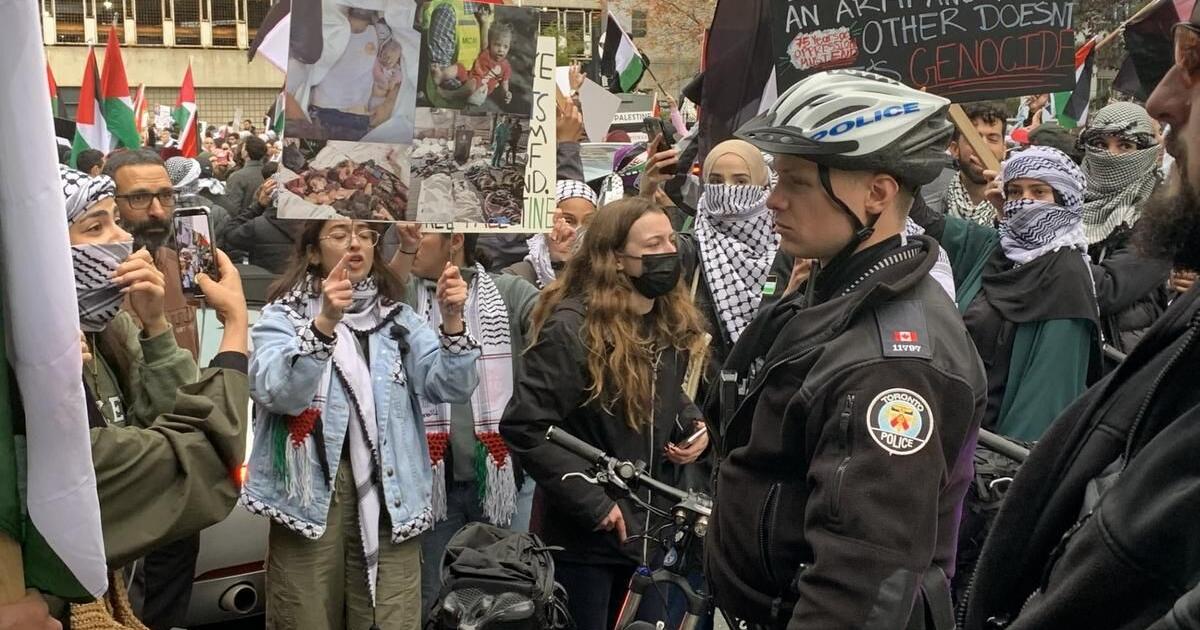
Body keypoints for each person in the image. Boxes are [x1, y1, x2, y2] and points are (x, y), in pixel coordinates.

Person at [705, 70, 988, 629]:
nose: (773, 200)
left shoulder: (895, 362)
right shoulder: (831, 293)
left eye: (797, 182)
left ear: (877, 194)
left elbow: (863, 580)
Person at [961, 14, 1200, 627]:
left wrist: (1053, 253)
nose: (1163, 99)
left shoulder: (1148, 225)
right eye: (1103, 144)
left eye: (1195, 63)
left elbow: (1110, 288)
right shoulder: (1041, 233)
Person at [241, 218, 480, 630]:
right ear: (313, 253)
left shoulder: (399, 319)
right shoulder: (282, 317)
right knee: (304, 616)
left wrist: (453, 319)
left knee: (390, 618)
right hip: (311, 494)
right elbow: (279, 393)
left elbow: (451, 386)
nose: (355, 244)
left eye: (366, 235)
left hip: (392, 492)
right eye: (339, 235)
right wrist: (325, 323)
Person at [49, 166, 250, 626]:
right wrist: (236, 326)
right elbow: (201, 455)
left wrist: (156, 326)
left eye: (116, 221)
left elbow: (170, 420)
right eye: (96, 227)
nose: (123, 237)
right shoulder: (37, 361)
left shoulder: (109, 329)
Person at [500, 197, 711, 630]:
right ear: (616, 258)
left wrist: (693, 424)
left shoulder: (664, 320)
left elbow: (662, 392)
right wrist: (594, 504)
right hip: (586, 544)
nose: (668, 252)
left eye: (670, 240)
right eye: (652, 245)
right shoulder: (571, 328)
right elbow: (525, 426)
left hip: (650, 537)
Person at [387, 223, 541, 614]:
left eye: (422, 234)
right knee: (434, 599)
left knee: (508, 599)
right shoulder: (405, 295)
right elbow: (373, 299)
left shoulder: (508, 292)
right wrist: (404, 253)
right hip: (430, 481)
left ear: (455, 240)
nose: (409, 240)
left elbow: (558, 326)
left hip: (502, 477)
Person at [943, 146, 1099, 441]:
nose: (1025, 202)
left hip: (993, 451)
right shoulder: (1001, 250)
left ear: (1064, 199)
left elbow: (1044, 401)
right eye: (1015, 192)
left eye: (1039, 192)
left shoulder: (1066, 275)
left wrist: (1001, 462)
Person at [1079, 101, 1172, 364]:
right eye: (1100, 144)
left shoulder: (1159, 216)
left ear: (1147, 151)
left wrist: (1042, 242)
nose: (1110, 155)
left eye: (1125, 146)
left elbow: (1106, 290)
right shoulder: (1067, 200)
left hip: (1118, 363)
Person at [103, 150, 199, 356]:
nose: (158, 211)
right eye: (139, 198)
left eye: (166, 195)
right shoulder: (91, 283)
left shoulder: (184, 265)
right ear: (111, 204)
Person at [922, 101, 1009, 223]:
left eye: (993, 139)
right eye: (973, 139)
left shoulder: (1021, 213)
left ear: (1004, 149)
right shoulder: (929, 213)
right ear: (954, 149)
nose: (983, 147)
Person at [504, 179, 597, 288]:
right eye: (568, 221)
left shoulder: (605, 274)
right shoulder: (517, 276)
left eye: (587, 222)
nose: (577, 231)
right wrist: (557, 263)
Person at [219, 178, 298, 273]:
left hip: (266, 279)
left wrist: (258, 206)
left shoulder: (258, 226)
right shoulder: (312, 225)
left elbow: (230, 234)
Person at [220, 134, 267, 214]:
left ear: (246, 153)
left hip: (244, 220)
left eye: (243, 147)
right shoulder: (270, 173)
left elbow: (232, 209)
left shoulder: (237, 177)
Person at [370, 37, 405, 129]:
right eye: (385, 55)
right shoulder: (377, 62)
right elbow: (376, 72)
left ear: (397, 60)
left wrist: (393, 81)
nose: (387, 60)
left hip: (383, 97)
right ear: (381, 51)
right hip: (375, 89)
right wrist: (383, 81)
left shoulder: (395, 68)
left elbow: (399, 77)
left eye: (391, 59)